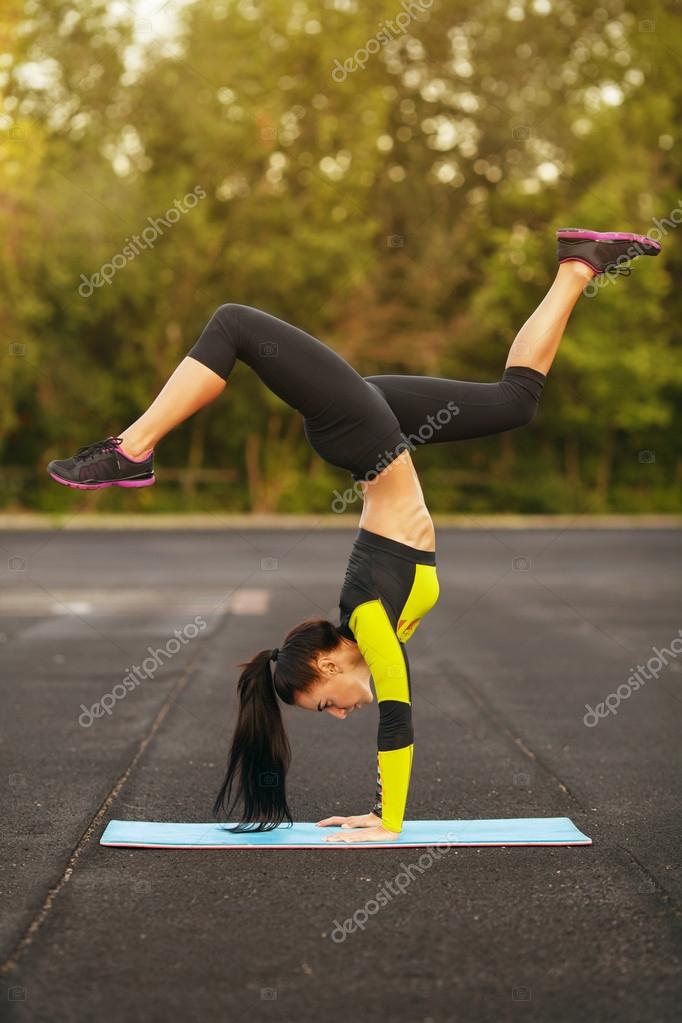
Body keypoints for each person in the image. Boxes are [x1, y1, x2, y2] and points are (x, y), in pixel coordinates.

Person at [47, 227, 660, 842]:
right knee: (515, 402)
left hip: (361, 433)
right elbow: (396, 696)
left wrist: (387, 822)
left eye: (325, 703)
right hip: (378, 426)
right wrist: (380, 806)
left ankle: (132, 449)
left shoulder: (367, 619)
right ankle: (579, 263)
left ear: (323, 662)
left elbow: (397, 712)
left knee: (233, 323)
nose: (340, 713)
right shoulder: (382, 632)